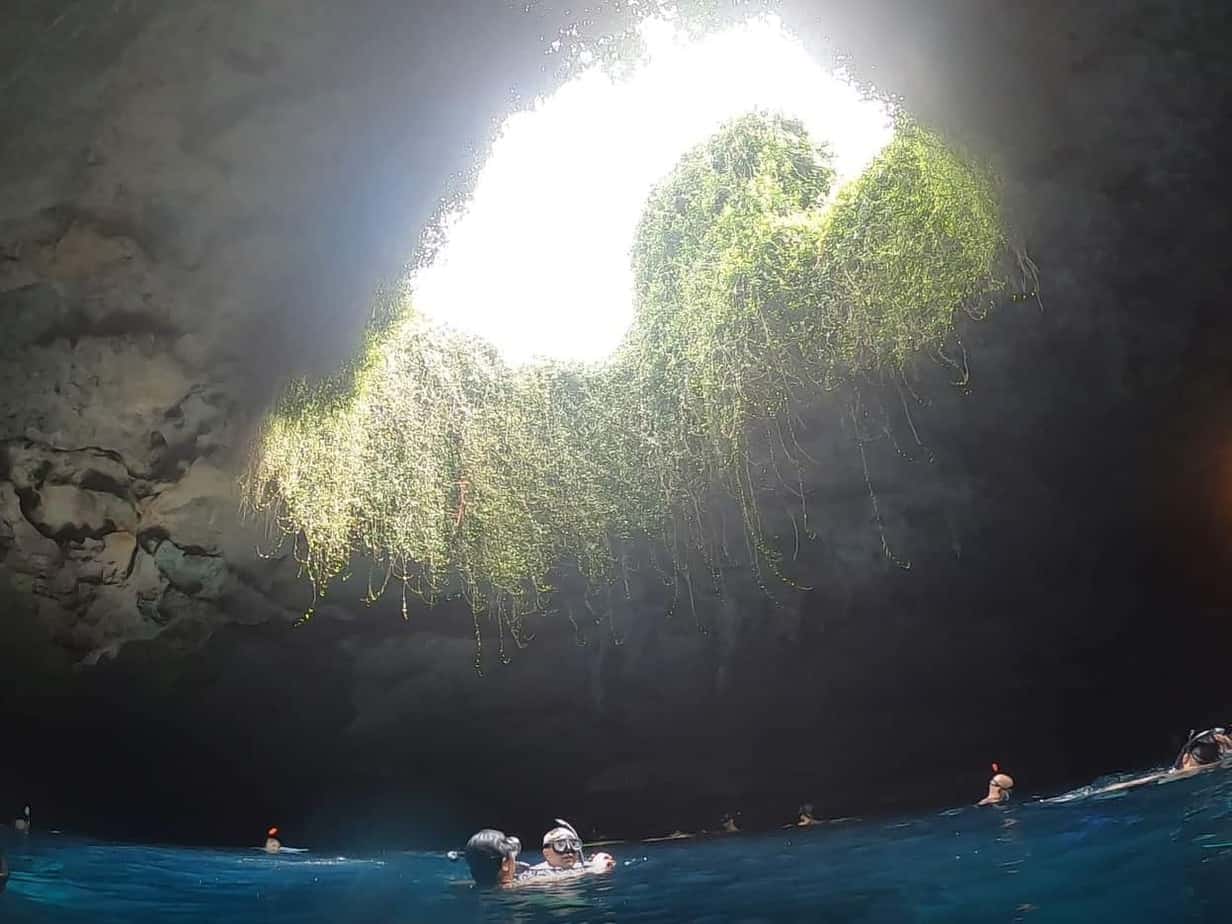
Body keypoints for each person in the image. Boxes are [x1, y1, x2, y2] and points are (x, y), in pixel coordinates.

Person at [516, 819, 616, 883]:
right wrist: (595, 868)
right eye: (560, 845)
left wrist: (604, 862)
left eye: (574, 844)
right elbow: (518, 885)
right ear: (546, 853)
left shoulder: (583, 866)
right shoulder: (533, 873)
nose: (569, 851)